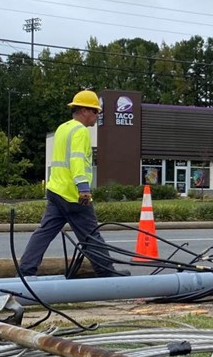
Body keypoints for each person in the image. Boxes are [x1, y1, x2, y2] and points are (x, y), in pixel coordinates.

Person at [17, 90, 129, 278]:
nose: (97, 116)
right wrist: (83, 188)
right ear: (84, 110)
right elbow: (76, 160)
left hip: (56, 191)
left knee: (44, 232)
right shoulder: (80, 132)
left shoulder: (63, 128)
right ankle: (107, 275)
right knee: (91, 235)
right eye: (95, 111)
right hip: (73, 195)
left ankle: (25, 271)